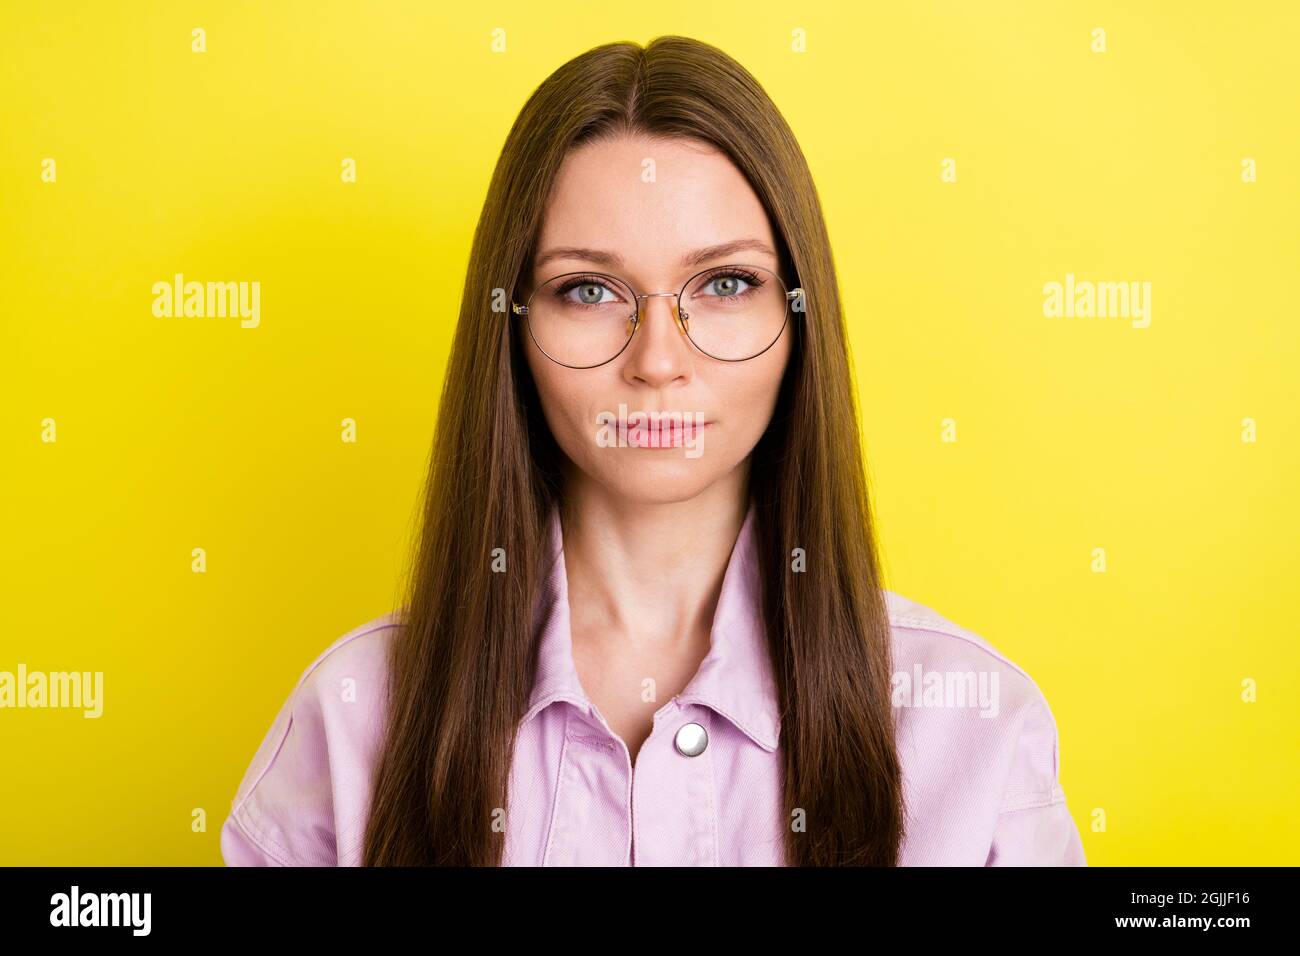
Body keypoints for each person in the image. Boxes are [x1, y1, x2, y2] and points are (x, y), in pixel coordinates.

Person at [221, 35, 1086, 866]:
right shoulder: (351, 720)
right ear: (512, 326)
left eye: (725, 284)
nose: (658, 361)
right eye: (588, 290)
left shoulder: (973, 727)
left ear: (796, 317)